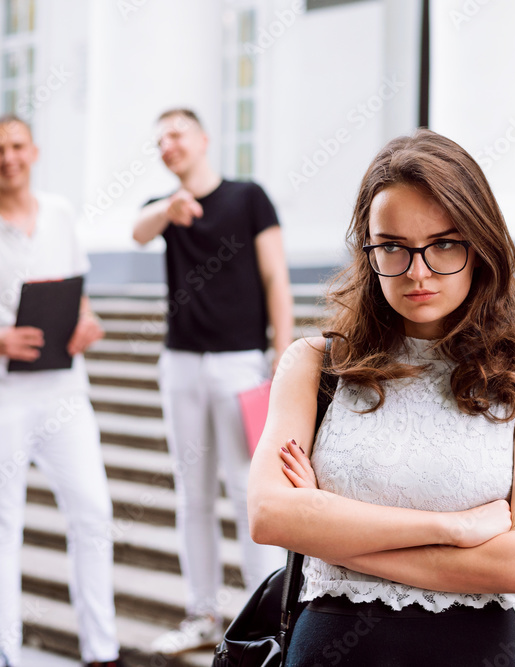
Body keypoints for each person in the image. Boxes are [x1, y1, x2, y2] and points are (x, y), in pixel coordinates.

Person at [246, 129, 515, 665]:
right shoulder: (316, 365)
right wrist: (454, 530)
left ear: (481, 245)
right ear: (368, 250)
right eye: (393, 247)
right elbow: (268, 515)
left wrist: (327, 525)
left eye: (443, 243)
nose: (417, 272)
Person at [0, 115, 121, 667]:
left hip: (63, 392)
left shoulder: (58, 214)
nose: (8, 157)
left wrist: (89, 324)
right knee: (2, 524)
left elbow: (80, 302)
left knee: (93, 513)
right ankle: (2, 654)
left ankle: (101, 652)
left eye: (16, 146)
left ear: (33, 151)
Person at [132, 108, 293, 654]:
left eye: (176, 134)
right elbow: (137, 232)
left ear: (203, 139)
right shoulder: (163, 210)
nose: (167, 145)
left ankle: (269, 622)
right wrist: (168, 210)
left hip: (240, 363)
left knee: (253, 492)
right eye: (159, 140)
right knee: (191, 495)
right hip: (180, 364)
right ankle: (201, 613)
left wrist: (283, 348)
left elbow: (276, 275)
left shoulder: (248, 197)